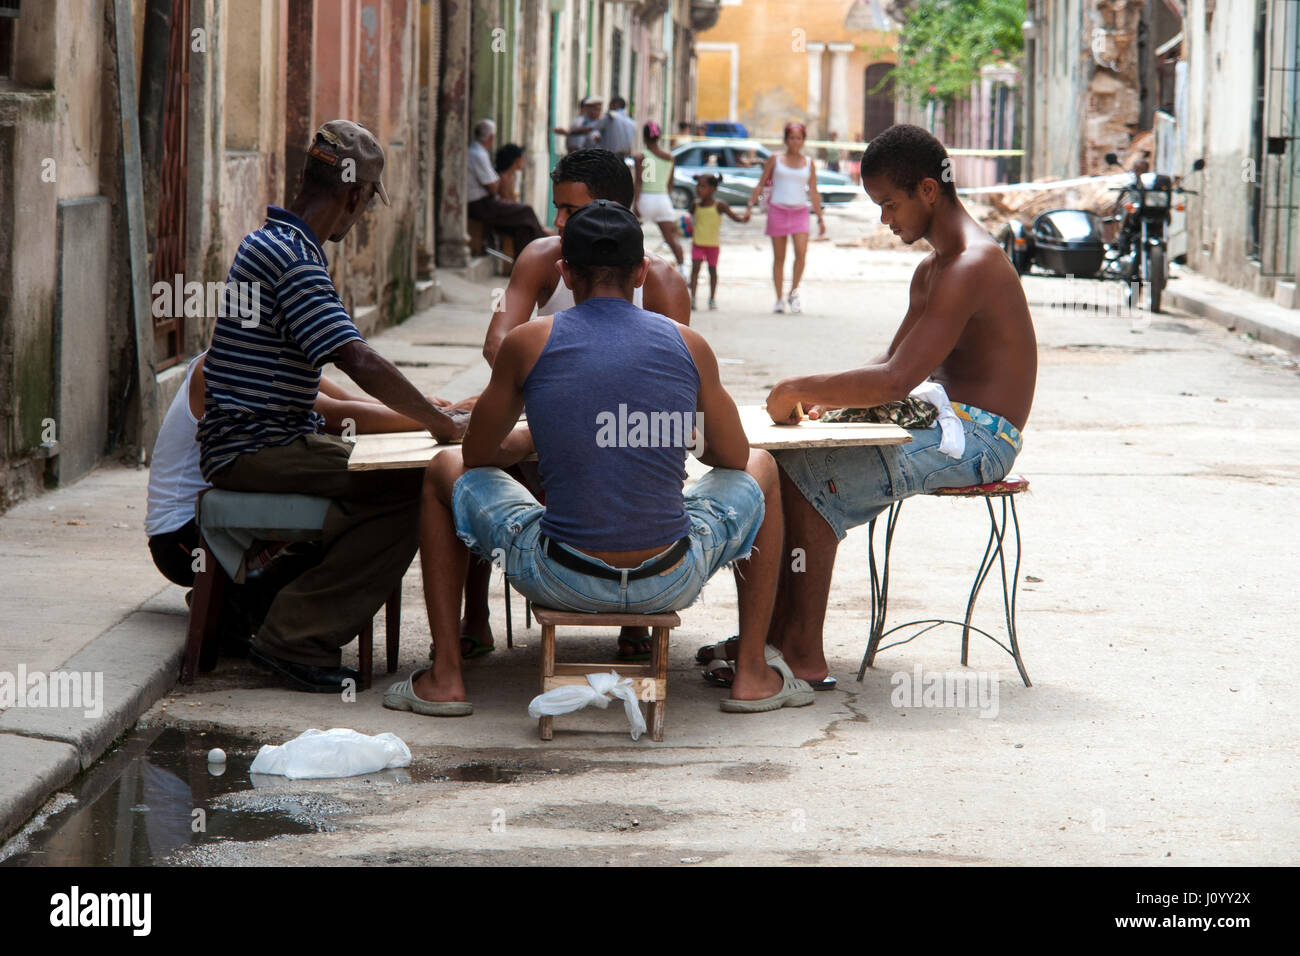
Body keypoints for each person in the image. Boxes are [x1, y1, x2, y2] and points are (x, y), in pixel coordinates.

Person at [382, 200, 811, 717]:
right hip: (669, 577)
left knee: (441, 471)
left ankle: (446, 676)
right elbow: (732, 455)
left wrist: (534, 438)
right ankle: (751, 673)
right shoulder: (689, 344)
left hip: (560, 574)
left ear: (565, 272)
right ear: (641, 272)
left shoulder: (527, 343)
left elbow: (475, 454)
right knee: (762, 466)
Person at [742, 123, 1036, 690]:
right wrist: (829, 406)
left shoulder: (973, 265)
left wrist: (799, 387)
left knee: (809, 476)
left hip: (981, 439)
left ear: (929, 191)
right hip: (938, 417)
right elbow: (893, 362)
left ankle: (802, 651)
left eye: (889, 204)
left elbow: (897, 380)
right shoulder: (932, 269)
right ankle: (768, 637)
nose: (885, 220)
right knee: (775, 464)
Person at [199, 119, 465, 693]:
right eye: (367, 202)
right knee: (415, 494)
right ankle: (295, 635)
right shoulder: (290, 256)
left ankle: (269, 604)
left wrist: (425, 417)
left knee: (390, 480)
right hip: (253, 449)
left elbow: (344, 374)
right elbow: (358, 360)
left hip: (271, 439)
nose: (363, 213)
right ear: (353, 195)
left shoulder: (278, 242)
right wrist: (440, 422)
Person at [479, 147, 690, 660]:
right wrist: (554, 393)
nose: (557, 220)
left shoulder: (659, 279)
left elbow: (675, 381)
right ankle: (473, 617)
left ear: (613, 210)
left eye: (570, 211)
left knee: (471, 466)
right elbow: (497, 341)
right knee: (490, 464)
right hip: (548, 409)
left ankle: (634, 621)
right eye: (558, 208)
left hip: (625, 424)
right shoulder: (541, 258)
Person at [746, 121, 825, 314]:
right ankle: (779, 298)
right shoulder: (775, 159)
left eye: (799, 138)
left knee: (801, 253)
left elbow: (813, 191)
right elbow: (761, 184)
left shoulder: (809, 163)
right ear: (786, 140)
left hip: (800, 212)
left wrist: (820, 218)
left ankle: (794, 292)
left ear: (803, 140)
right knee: (779, 257)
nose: (795, 142)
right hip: (778, 211)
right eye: (792, 138)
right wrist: (750, 206)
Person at [466, 119, 547, 253]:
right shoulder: (478, 154)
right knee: (527, 211)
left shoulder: (479, 152)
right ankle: (543, 248)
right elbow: (492, 188)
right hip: (481, 204)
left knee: (524, 228)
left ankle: (526, 265)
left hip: (485, 202)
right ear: (491, 137)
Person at [688, 173, 749, 310]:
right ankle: (693, 298)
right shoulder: (695, 205)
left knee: (712, 271)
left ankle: (712, 299)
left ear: (713, 188)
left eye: (703, 186)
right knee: (695, 270)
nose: (699, 189)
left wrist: (744, 218)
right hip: (697, 243)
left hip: (713, 245)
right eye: (698, 186)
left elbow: (734, 217)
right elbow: (688, 220)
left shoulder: (719, 205)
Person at [635, 122, 686, 278]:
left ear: (644, 137)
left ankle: (633, 268)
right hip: (663, 199)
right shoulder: (670, 157)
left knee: (633, 235)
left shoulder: (640, 156)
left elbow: (638, 182)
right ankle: (683, 271)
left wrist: (635, 203)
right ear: (659, 137)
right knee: (671, 238)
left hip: (645, 198)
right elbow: (670, 184)